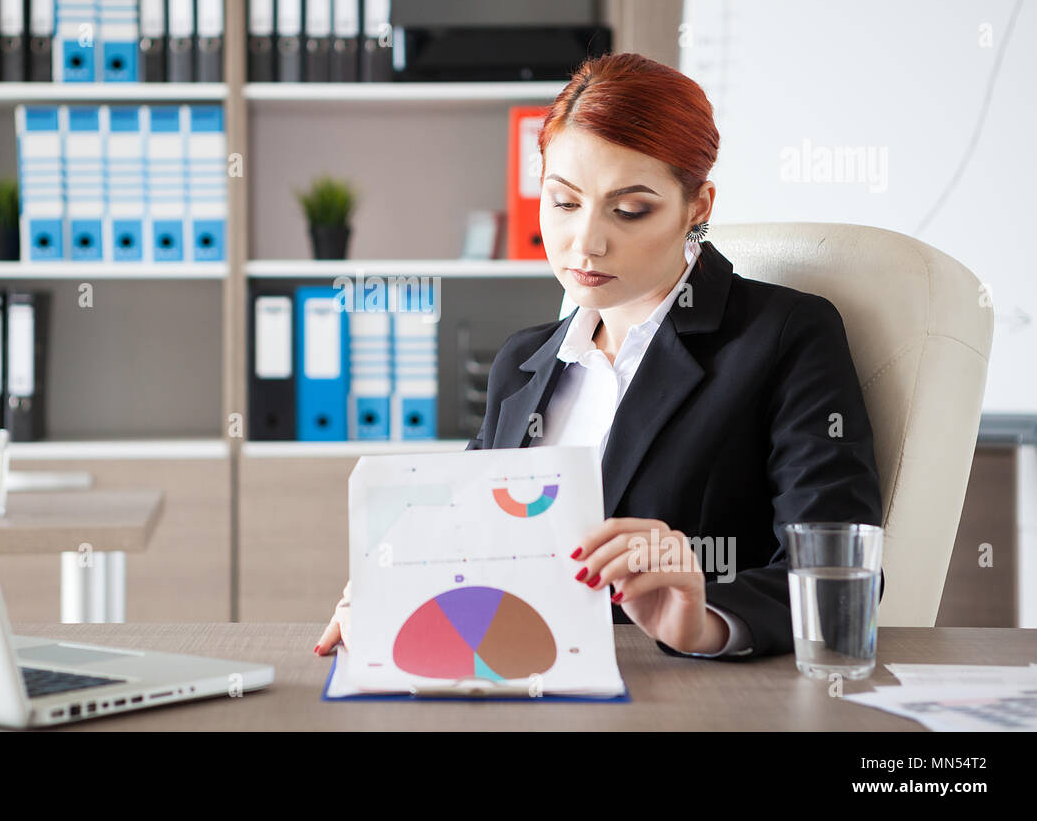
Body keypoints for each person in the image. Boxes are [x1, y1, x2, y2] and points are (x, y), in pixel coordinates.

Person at [315, 51, 883, 660]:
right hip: (522, 675)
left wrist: (707, 621)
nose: (586, 241)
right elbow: (471, 540)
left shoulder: (784, 335)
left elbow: (839, 575)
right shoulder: (523, 361)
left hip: (694, 701)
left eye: (630, 209)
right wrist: (400, 583)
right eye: (563, 203)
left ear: (699, 207)